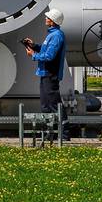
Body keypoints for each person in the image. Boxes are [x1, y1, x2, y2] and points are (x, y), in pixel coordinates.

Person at [23, 8, 67, 139]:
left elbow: (49, 56)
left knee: (54, 105)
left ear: (52, 21)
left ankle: (64, 134)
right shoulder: (52, 35)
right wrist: (34, 46)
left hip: (50, 74)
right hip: (45, 73)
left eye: (48, 17)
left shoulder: (56, 36)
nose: (45, 19)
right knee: (46, 106)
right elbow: (45, 50)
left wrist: (33, 55)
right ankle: (50, 133)